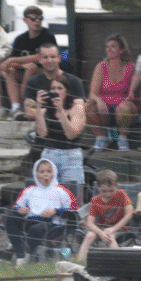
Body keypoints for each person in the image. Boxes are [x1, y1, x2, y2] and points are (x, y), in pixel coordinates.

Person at [6, 158, 77, 262]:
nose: (45, 174)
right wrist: (20, 210)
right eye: (42, 172)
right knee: (11, 219)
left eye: (49, 171)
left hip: (53, 224)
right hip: (30, 220)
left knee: (34, 230)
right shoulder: (29, 191)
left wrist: (56, 211)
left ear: (53, 174)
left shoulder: (61, 191)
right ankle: (21, 255)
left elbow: (73, 212)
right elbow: (16, 207)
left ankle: (35, 258)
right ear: (36, 174)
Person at [34, 73, 87, 202]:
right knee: (47, 198)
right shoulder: (44, 110)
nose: (56, 92)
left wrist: (61, 110)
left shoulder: (77, 108)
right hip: (49, 155)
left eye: (60, 88)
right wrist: (38, 107)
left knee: (72, 199)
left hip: (70, 155)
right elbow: (42, 133)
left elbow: (71, 134)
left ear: (67, 91)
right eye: (53, 89)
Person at [0, 5, 56, 119]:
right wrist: (16, 64)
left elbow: (40, 57)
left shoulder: (47, 36)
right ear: (25, 20)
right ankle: (15, 107)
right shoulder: (20, 39)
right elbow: (12, 62)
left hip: (46, 73)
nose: (37, 20)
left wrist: (12, 60)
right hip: (26, 73)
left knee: (31, 67)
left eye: (40, 18)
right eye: (33, 18)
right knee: (11, 71)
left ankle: (24, 104)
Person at [86, 34, 138, 152]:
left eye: (113, 46)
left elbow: (135, 92)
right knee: (88, 105)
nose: (108, 49)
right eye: (107, 46)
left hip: (124, 109)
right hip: (105, 109)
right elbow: (92, 93)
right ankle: (101, 137)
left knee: (125, 108)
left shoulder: (131, 67)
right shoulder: (101, 66)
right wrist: (99, 101)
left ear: (121, 50)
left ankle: (122, 137)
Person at [76, 169, 133, 262]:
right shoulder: (95, 200)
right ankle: (79, 263)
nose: (108, 194)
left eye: (111, 190)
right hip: (101, 229)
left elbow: (129, 213)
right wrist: (100, 233)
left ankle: (120, 263)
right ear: (98, 187)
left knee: (109, 237)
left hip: (119, 228)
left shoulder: (121, 194)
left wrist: (112, 229)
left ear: (116, 185)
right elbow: (90, 223)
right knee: (89, 235)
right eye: (104, 191)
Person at [23, 43, 84, 118]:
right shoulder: (32, 82)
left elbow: (80, 108)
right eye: (45, 57)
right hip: (42, 126)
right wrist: (45, 110)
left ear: (59, 58)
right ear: (40, 60)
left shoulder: (74, 81)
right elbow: (29, 111)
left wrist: (62, 114)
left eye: (53, 57)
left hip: (69, 124)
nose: (49, 60)